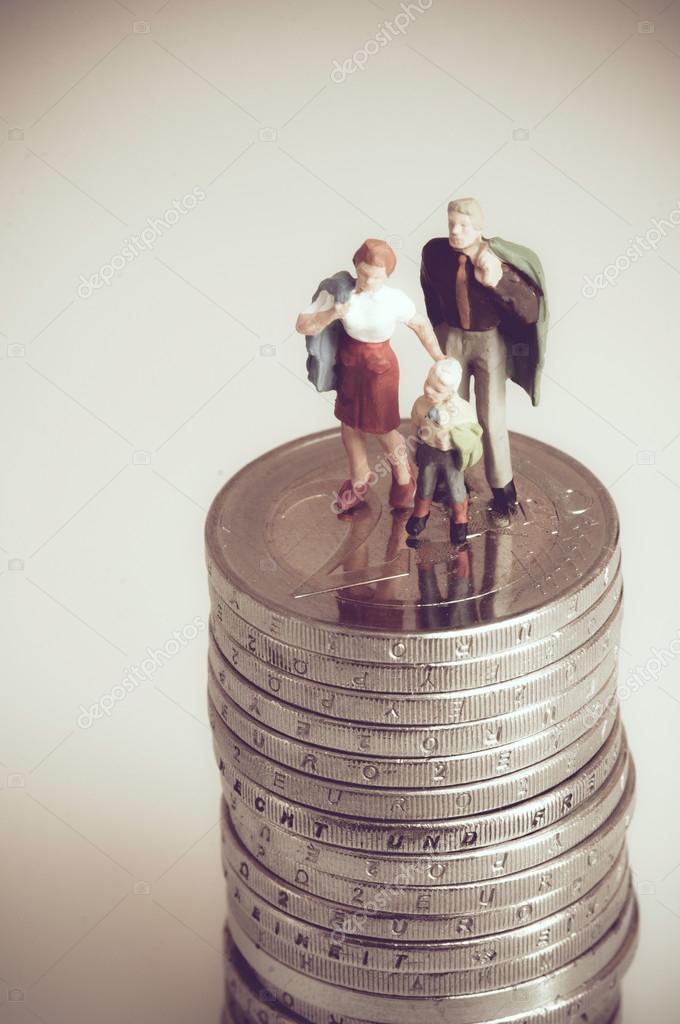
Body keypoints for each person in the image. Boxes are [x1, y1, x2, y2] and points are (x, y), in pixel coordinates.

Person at [420, 198, 548, 516]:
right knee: (447, 412)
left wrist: (497, 281)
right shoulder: (434, 253)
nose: (455, 230)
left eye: (463, 225)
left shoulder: (497, 261)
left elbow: (530, 311)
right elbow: (429, 289)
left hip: (489, 342)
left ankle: (503, 488)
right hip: (453, 338)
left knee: (492, 418)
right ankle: (451, 481)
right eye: (451, 223)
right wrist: (439, 330)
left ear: (480, 229)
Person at [296, 238, 444, 512]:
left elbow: (420, 325)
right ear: (355, 265)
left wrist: (438, 356)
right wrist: (332, 313)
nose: (367, 281)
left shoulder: (393, 299)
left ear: (387, 275)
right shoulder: (339, 292)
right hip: (350, 363)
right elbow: (303, 325)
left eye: (375, 277)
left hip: (380, 368)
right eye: (363, 273)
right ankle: (359, 480)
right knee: (349, 425)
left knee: (384, 428)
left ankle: (403, 477)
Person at [407, 358, 483, 545]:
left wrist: (451, 441)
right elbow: (415, 426)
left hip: (451, 457)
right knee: (424, 485)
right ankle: (420, 515)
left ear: (452, 391)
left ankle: (460, 521)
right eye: (427, 384)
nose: (428, 390)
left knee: (456, 488)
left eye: (437, 390)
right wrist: (413, 448)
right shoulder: (421, 404)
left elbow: (473, 434)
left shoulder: (463, 410)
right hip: (428, 452)